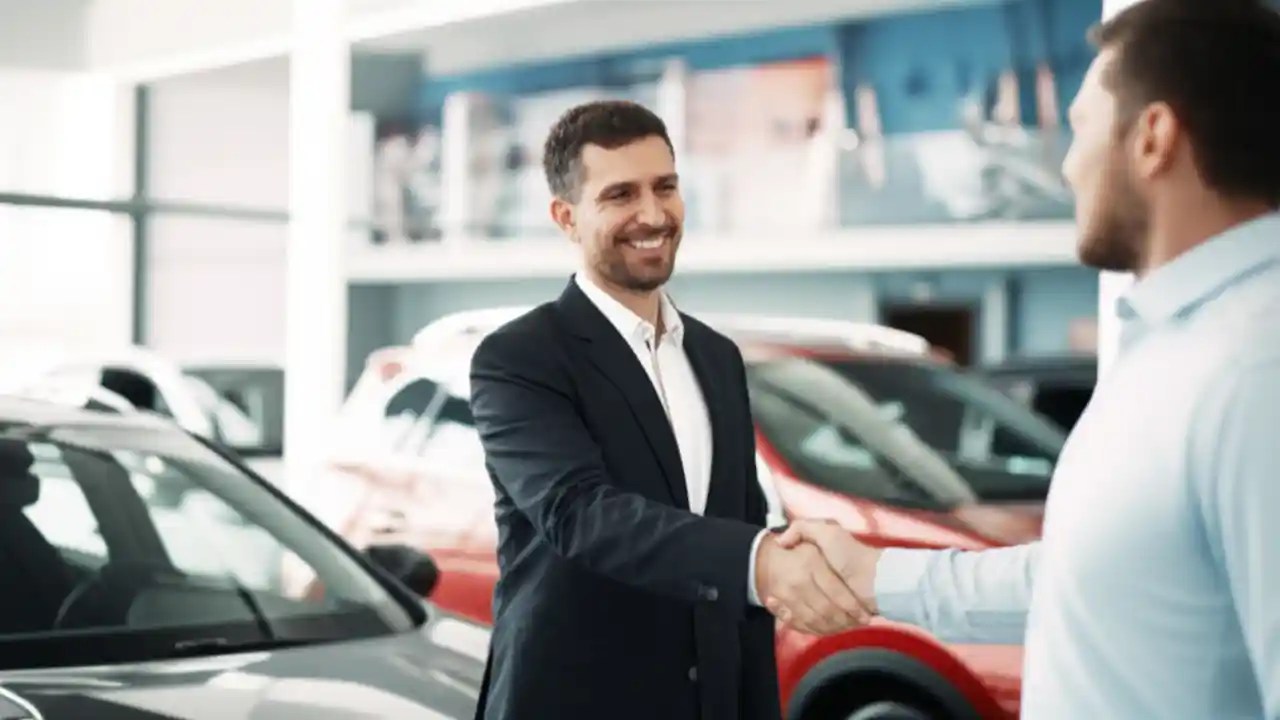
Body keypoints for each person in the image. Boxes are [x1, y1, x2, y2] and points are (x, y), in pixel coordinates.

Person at [776, 0, 1280, 717]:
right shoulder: (1174, 345)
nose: (1069, 168)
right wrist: (875, 573)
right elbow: (1086, 578)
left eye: (1079, 131)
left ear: (1153, 139)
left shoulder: (1256, 369)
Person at [467, 101, 868, 720]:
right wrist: (758, 561)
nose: (652, 215)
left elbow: (739, 528)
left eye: (666, 187)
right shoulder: (520, 358)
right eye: (621, 194)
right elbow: (579, 513)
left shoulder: (716, 356)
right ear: (566, 218)